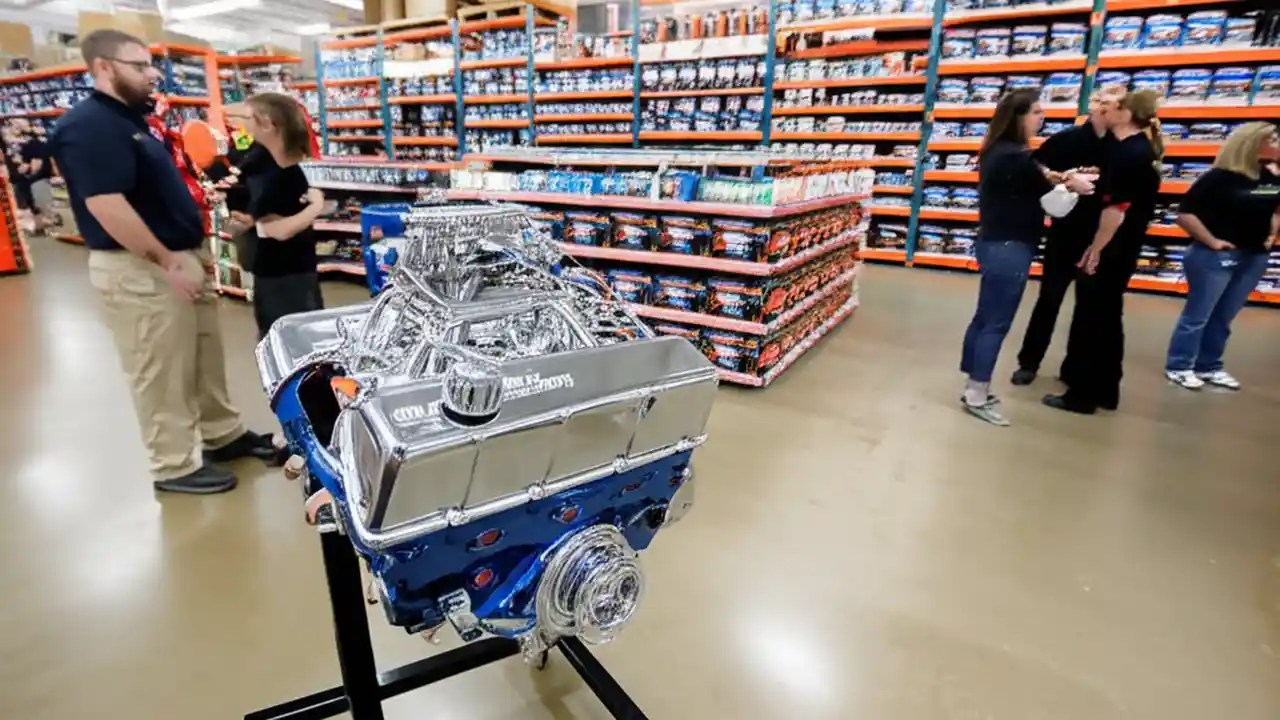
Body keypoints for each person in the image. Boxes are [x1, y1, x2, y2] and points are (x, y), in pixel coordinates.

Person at [49, 29, 275, 495]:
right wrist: (169, 260)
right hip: (141, 268)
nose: (152, 73)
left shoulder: (132, 120)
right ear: (104, 68)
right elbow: (106, 206)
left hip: (177, 258)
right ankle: (172, 464)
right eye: (139, 65)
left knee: (202, 356)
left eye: (151, 64)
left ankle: (221, 434)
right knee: (159, 368)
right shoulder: (88, 126)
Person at [960, 88, 1095, 426]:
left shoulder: (998, 151)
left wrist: (1060, 177)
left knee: (984, 317)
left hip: (994, 242)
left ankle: (973, 380)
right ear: (1019, 116)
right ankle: (977, 392)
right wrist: (1073, 187)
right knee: (996, 322)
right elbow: (1054, 204)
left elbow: (1036, 177)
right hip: (1011, 247)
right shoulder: (1015, 158)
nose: (1041, 117)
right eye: (1035, 111)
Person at [1044, 88, 1164, 414]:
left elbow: (1117, 210)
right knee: (1109, 319)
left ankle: (1080, 396)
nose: (1103, 111)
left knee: (1091, 319)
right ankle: (1106, 390)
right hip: (1124, 248)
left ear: (1126, 114)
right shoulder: (1140, 149)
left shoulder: (1129, 154)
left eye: (1111, 107)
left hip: (1110, 248)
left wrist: (1094, 249)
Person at [1010, 86, 1122, 386]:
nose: (1118, 112)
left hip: (1101, 236)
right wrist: (1060, 179)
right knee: (1049, 299)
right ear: (1098, 107)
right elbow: (1034, 165)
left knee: (1088, 306)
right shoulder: (1067, 139)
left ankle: (1074, 368)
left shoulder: (1120, 145)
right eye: (1111, 105)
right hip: (1066, 232)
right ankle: (1028, 362)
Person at [1163, 122, 1280, 391]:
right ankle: (1180, 366)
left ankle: (1209, 365)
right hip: (1213, 257)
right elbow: (1185, 213)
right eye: (1271, 139)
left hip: (1254, 256)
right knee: (1198, 315)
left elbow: (1274, 208)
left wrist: (1272, 233)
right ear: (1252, 143)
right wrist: (1212, 241)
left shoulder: (1271, 178)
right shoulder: (1219, 177)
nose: (1276, 143)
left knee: (1224, 316)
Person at [241, 92, 329, 338]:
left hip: (288, 273)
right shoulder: (269, 170)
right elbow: (277, 230)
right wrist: (315, 207)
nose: (244, 125)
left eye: (249, 118)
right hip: (283, 275)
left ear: (267, 123)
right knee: (295, 342)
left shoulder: (276, 170)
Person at [19, 123, 54, 232]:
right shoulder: (38, 143)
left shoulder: (32, 144)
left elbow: (36, 163)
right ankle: (42, 222)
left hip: (38, 177)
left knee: (37, 202)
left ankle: (43, 222)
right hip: (39, 177)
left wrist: (30, 176)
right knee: (36, 202)